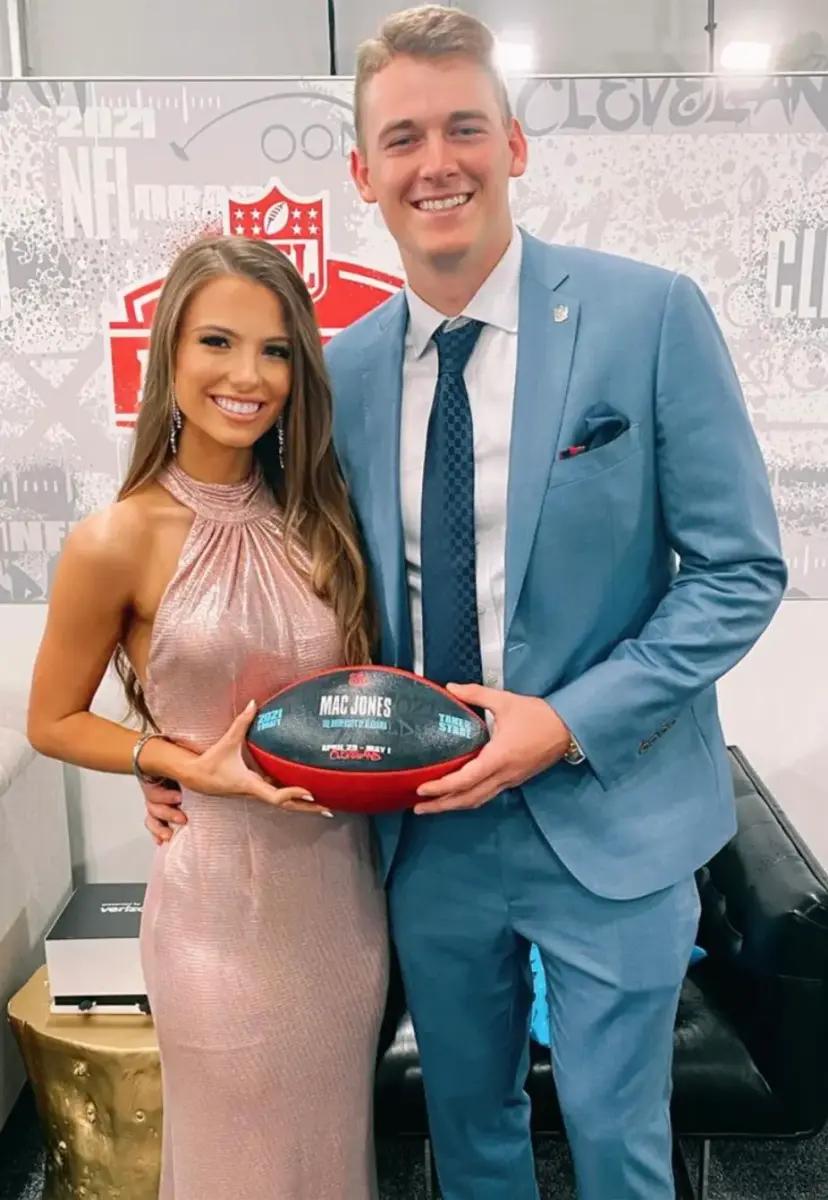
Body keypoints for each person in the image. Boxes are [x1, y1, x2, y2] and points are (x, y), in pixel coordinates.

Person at [146, 7, 787, 1199]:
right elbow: (262, 578)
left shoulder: (649, 315)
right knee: (470, 1140)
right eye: (402, 138)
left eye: (463, 127)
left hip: (612, 812)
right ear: (364, 173)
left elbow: (741, 571)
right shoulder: (336, 373)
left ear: (514, 143)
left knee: (620, 1149)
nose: (435, 162)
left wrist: (566, 722)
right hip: (422, 827)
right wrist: (171, 746)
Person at [27, 235, 388, 1200]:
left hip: (340, 899)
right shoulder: (116, 537)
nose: (247, 376)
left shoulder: (324, 518)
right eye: (218, 342)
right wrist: (172, 762)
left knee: (329, 1158)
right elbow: (52, 720)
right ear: (170, 355)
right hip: (215, 911)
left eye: (275, 351)